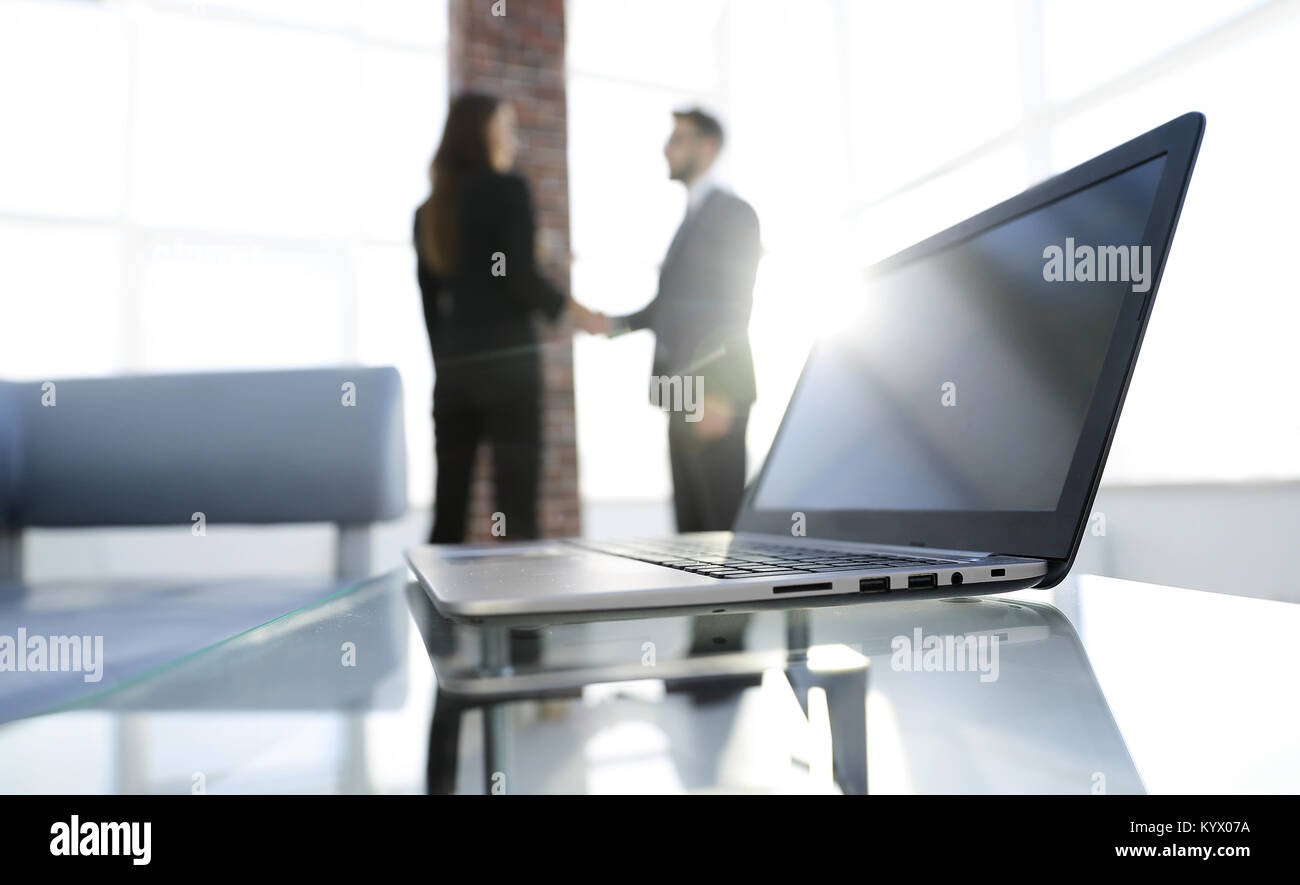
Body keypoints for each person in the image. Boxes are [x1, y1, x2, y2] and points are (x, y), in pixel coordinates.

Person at [415, 92, 591, 544]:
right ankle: (520, 595)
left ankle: (438, 592)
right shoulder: (508, 190)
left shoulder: (429, 210)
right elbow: (519, 279)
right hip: (510, 368)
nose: (514, 140)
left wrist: (447, 364)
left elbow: (431, 307)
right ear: (485, 133)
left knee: (449, 509)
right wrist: (577, 313)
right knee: (516, 513)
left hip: (455, 370)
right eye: (507, 128)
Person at [580, 108, 762, 533]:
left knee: (721, 532)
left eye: (678, 138)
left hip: (713, 392)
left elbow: (735, 302)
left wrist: (719, 392)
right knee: (691, 535)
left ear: (708, 147)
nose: (666, 148)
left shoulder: (734, 213)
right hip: (679, 391)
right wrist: (609, 325)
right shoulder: (689, 221)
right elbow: (667, 308)